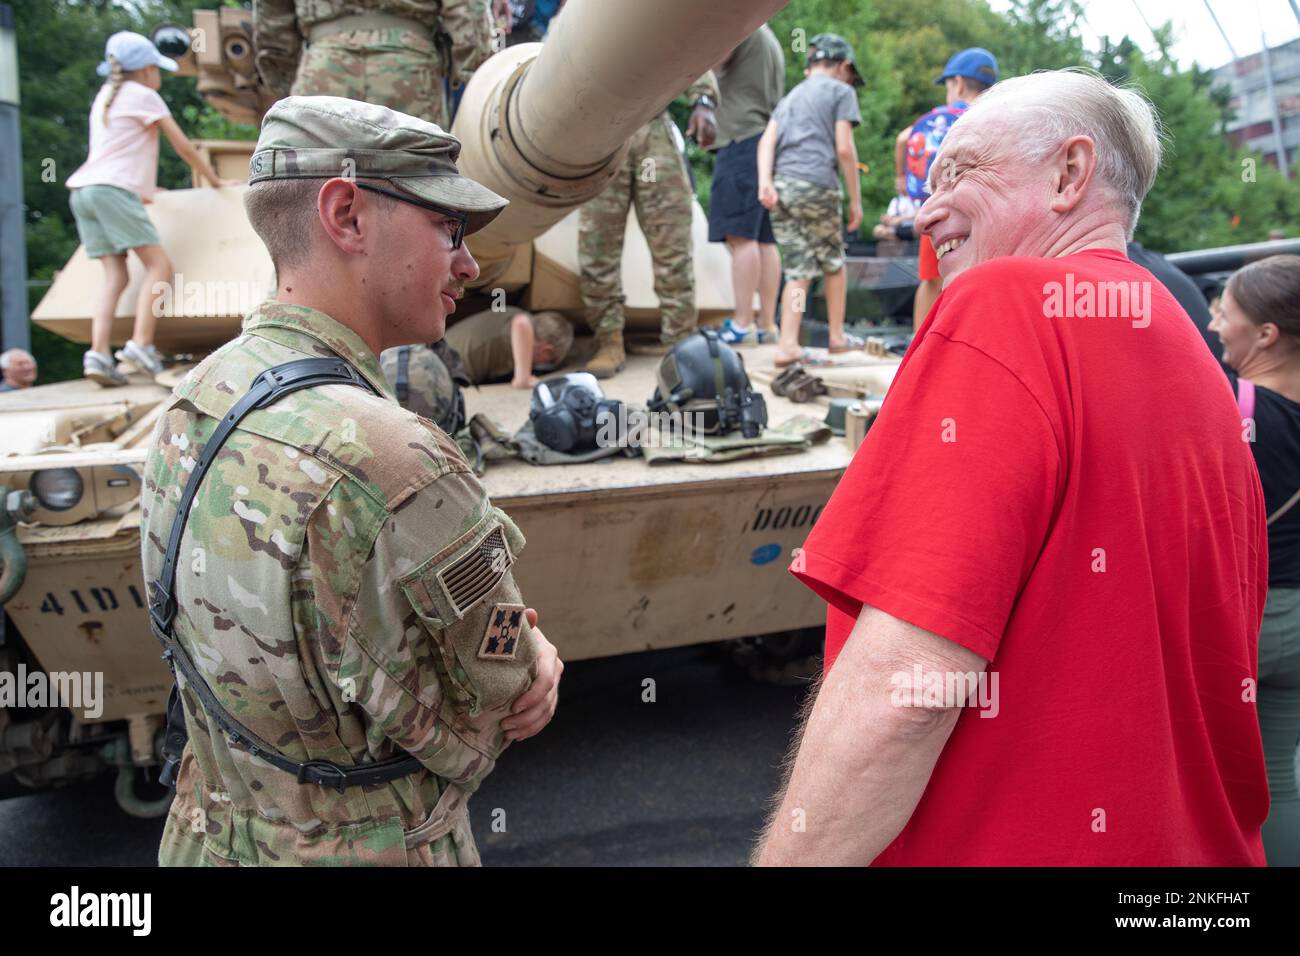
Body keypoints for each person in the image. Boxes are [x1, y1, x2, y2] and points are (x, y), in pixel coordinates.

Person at [755, 71, 1269, 866]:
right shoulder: (1194, 358)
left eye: (960, 172)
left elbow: (906, 690)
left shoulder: (1003, 306)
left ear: (1070, 174)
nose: (926, 211)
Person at [140, 96, 563, 866]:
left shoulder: (193, 399)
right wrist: (541, 658)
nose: (468, 264)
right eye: (448, 227)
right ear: (348, 215)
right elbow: (503, 704)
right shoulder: (397, 461)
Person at [66, 31, 233, 388]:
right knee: (160, 266)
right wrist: (216, 182)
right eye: (157, 69)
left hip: (84, 190)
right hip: (112, 191)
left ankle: (97, 353)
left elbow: (115, 154)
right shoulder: (144, 96)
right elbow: (184, 148)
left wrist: (140, 189)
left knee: (116, 276)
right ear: (145, 70)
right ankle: (141, 344)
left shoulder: (106, 97)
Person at [1210, 254, 1300, 866]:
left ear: (1265, 334)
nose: (1216, 324)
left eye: (1226, 312)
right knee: (1279, 780)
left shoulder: (1228, 405)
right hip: (1298, 627)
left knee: (1206, 780)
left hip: (1244, 619)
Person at [578, 72, 719, 378]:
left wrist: (703, 100)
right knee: (596, 246)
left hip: (652, 123)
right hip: (602, 129)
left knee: (673, 243)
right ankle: (608, 341)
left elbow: (695, 39)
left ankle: (682, 344)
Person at [757, 32, 864, 368]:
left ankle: (787, 344)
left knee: (799, 269)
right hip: (817, 184)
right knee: (833, 263)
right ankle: (836, 337)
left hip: (783, 186)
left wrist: (765, 182)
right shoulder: (842, 91)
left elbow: (766, 141)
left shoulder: (790, 97)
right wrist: (855, 200)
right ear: (844, 66)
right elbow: (845, 148)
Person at [254, 0, 495, 128]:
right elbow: (467, 11)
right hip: (410, 71)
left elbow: (272, 21)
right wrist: (477, 79)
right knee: (414, 187)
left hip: (323, 69)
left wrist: (286, 85)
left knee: (318, 183)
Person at [893, 47, 997, 326]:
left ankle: (919, 349)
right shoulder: (997, 115)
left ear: (959, 84)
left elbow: (904, 139)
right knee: (978, 279)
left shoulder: (939, 116)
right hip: (982, 213)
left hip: (939, 210)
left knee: (931, 279)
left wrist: (901, 179)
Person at [708, 24, 785, 346]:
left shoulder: (736, 18)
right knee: (763, 238)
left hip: (741, 141)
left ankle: (741, 324)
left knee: (741, 237)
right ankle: (766, 324)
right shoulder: (769, 37)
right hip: (764, 142)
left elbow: (713, 58)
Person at [444, 307, 574, 387]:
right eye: (547, 360)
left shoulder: (512, 315)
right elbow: (521, 323)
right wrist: (523, 378)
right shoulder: (522, 322)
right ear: (546, 350)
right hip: (437, 368)